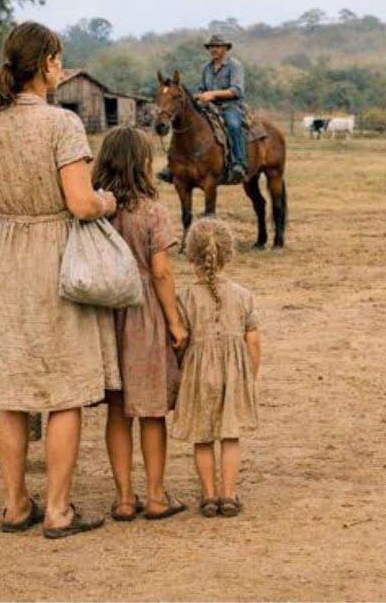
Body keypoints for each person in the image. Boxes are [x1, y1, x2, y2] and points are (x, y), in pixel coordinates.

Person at [0, 21, 121, 539]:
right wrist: (108, 201)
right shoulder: (62, 125)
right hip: (56, 257)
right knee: (64, 392)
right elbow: (79, 203)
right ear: (48, 64)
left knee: (9, 392)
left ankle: (15, 506)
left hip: (6, 258)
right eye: (58, 57)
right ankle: (58, 510)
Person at [91, 127, 190, 521]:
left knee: (117, 411)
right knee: (150, 410)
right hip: (144, 311)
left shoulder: (95, 209)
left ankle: (124, 498)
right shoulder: (152, 210)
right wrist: (175, 321)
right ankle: (156, 495)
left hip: (103, 312)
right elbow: (161, 271)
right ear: (143, 164)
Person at [170, 217, 262, 518]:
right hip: (234, 375)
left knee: (203, 436)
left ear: (192, 255)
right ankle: (229, 495)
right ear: (229, 253)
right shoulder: (244, 295)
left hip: (199, 375)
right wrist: (249, 375)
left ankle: (209, 496)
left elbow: (180, 340)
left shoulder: (184, 298)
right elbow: (253, 341)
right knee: (230, 435)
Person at [198, 34, 247, 184]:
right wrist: (197, 96)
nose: (215, 49)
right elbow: (202, 89)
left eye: (218, 46)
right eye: (212, 47)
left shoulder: (234, 65)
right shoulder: (206, 68)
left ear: (225, 49)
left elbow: (237, 90)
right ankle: (175, 164)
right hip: (209, 107)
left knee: (233, 125)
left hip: (230, 106)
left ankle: (239, 163)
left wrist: (212, 94)